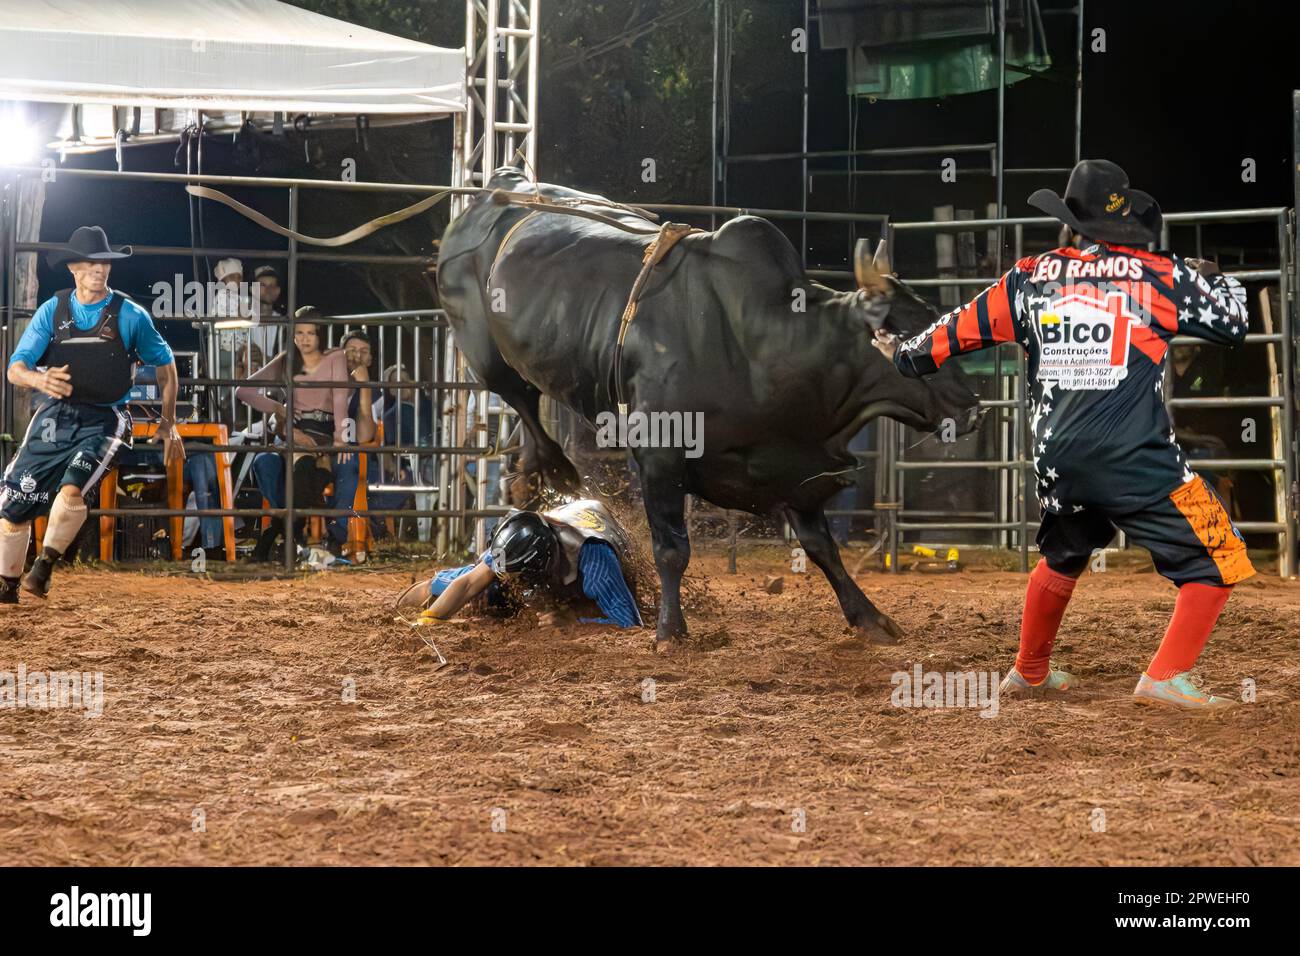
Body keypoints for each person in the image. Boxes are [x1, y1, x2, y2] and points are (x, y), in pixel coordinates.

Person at [872, 160, 1253, 711]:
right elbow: (1233, 323)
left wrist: (901, 353)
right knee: (1220, 555)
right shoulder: (1159, 275)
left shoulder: (1029, 276)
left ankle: (1029, 672)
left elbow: (950, 333)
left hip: (1060, 459)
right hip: (1134, 457)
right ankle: (1165, 677)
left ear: (1070, 224)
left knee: (1065, 553)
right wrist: (1214, 277)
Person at [2, 226, 183, 601]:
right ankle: (6, 586)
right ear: (73, 268)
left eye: (103, 262)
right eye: (89, 263)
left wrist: (168, 423)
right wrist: (38, 378)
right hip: (55, 415)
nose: (98, 269)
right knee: (15, 507)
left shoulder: (131, 315)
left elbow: (166, 366)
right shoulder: (52, 310)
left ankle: (45, 566)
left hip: (105, 417)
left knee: (71, 491)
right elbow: (15, 368)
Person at [396, 499, 644, 629]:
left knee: (594, 601)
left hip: (589, 543)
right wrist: (430, 618)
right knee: (485, 594)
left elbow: (628, 622)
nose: (511, 584)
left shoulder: (596, 560)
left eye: (517, 578)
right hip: (558, 539)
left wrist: (574, 621)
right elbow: (470, 582)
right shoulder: (514, 542)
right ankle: (405, 600)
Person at [236, 307, 355, 559]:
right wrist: (280, 409)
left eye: (311, 333)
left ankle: (274, 539)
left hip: (326, 432)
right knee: (300, 472)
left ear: (320, 335)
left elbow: (341, 401)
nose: (304, 338)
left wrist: (339, 439)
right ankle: (294, 539)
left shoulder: (335, 359)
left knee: (307, 474)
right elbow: (243, 391)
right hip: (295, 433)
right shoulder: (286, 360)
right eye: (299, 332)